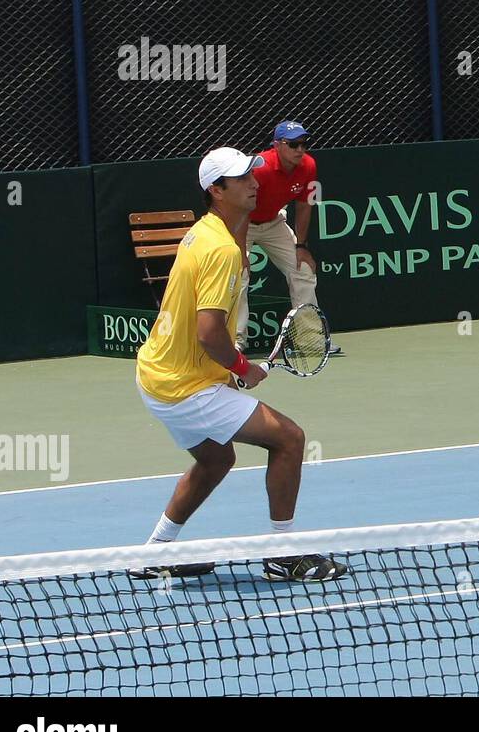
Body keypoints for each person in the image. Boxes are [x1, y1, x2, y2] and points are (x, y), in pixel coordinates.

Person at [133, 146, 346, 582]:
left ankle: (151, 554)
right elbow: (208, 332)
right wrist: (243, 368)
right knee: (289, 439)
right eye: (242, 179)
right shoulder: (221, 251)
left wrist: (227, 368)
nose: (254, 184)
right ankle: (283, 554)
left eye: (253, 175)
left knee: (215, 460)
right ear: (216, 190)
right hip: (184, 386)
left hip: (156, 375)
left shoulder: (207, 231)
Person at [236, 120, 339, 355]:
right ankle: (236, 342)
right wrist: (241, 253)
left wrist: (301, 246)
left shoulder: (309, 166)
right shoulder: (259, 168)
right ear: (277, 146)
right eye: (293, 145)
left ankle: (311, 341)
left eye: (303, 144)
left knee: (303, 269)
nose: (300, 150)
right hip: (243, 223)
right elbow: (241, 209)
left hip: (274, 222)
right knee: (237, 274)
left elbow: (306, 205)